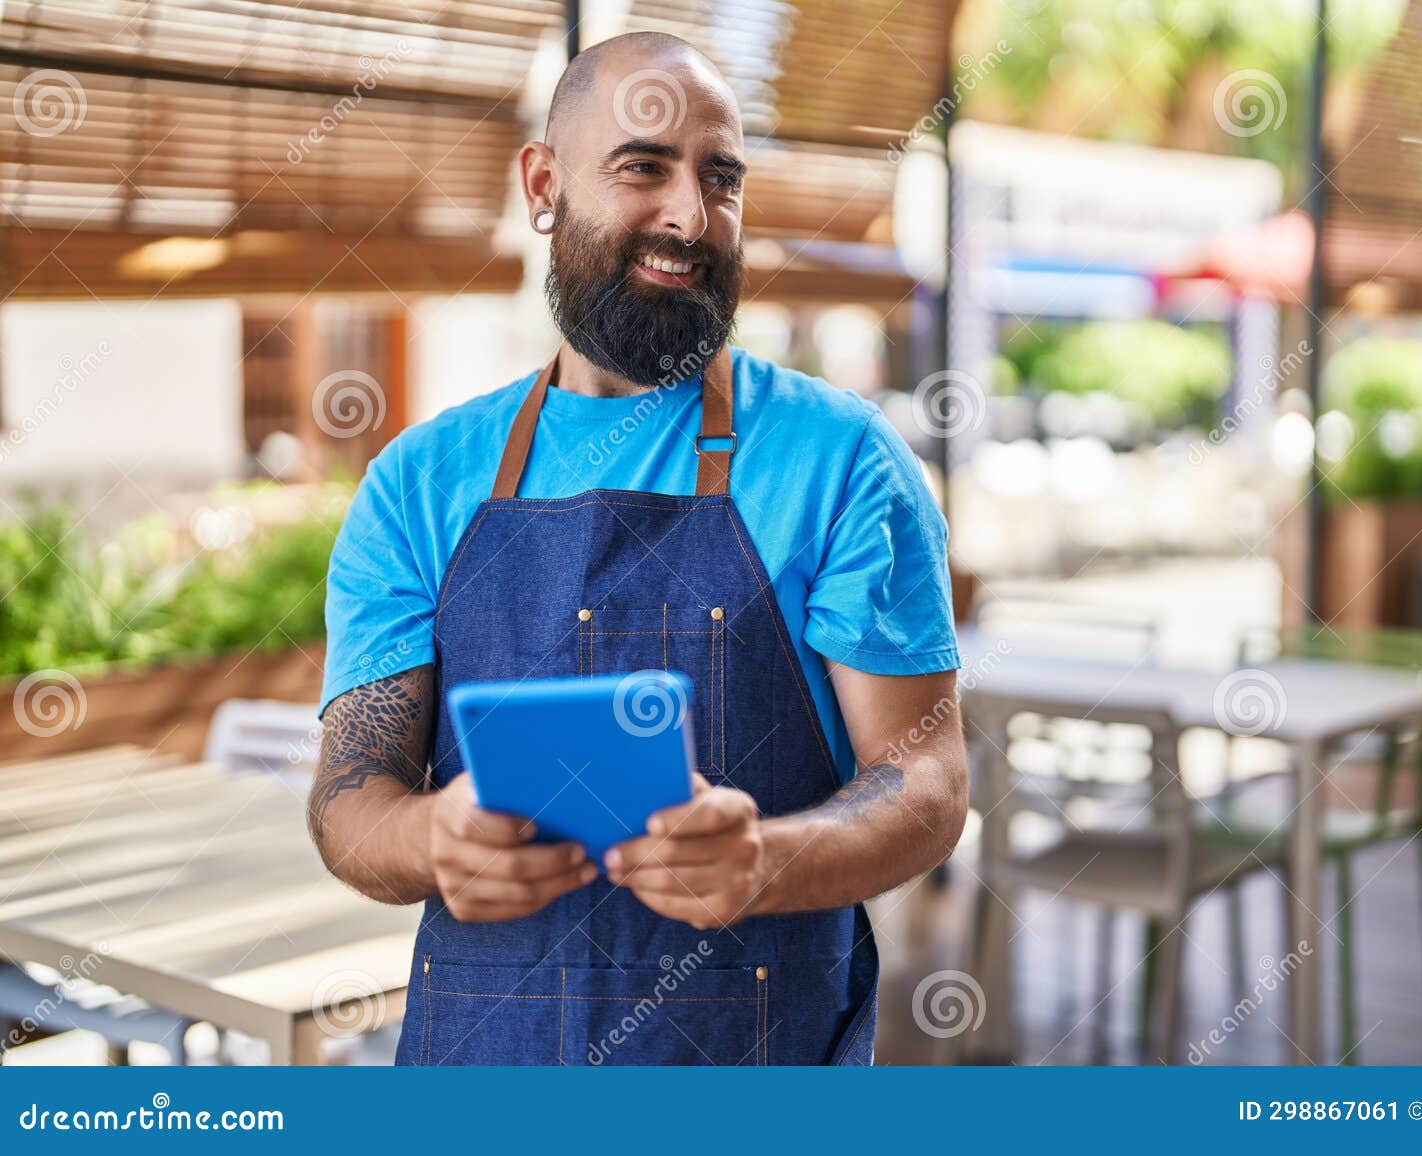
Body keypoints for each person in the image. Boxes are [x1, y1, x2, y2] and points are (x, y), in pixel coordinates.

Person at [308, 31, 966, 1066]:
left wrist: (770, 859)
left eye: (721, 178)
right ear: (542, 182)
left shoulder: (842, 462)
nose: (690, 216)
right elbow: (351, 800)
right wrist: (427, 838)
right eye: (643, 167)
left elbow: (925, 782)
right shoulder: (418, 483)